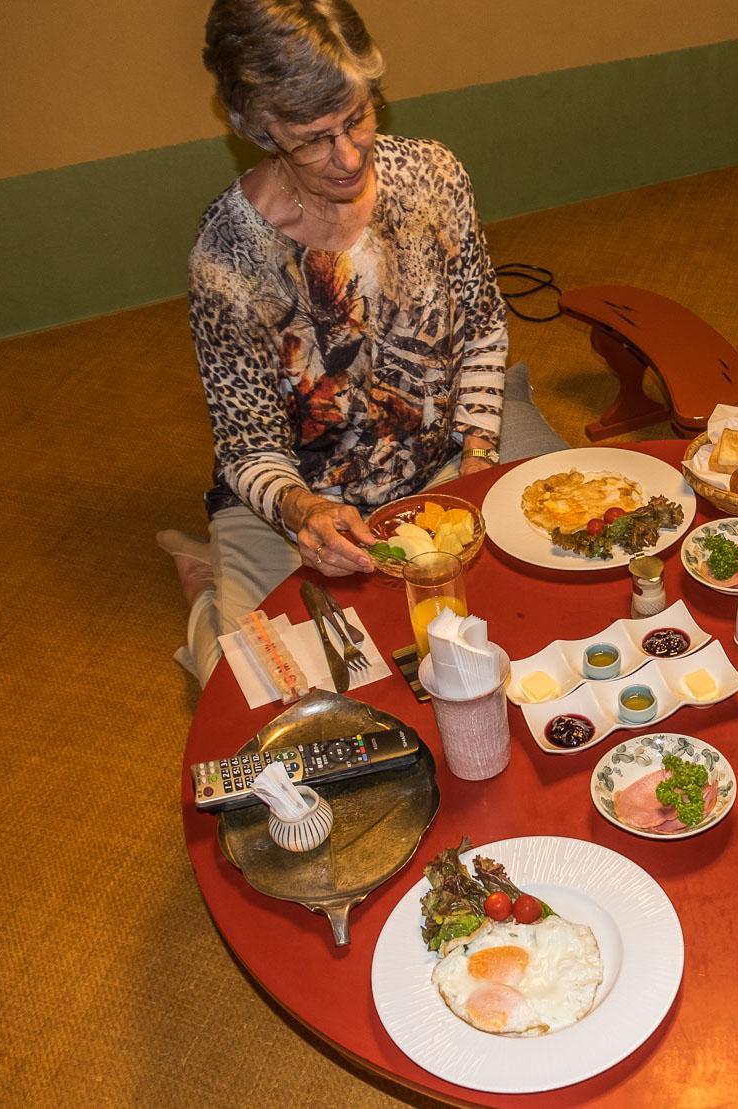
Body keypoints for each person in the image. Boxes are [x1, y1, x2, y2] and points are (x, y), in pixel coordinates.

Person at [160, 0, 564, 681]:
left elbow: (485, 325)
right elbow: (248, 446)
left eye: (358, 117)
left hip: (442, 457)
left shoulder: (434, 176)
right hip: (306, 505)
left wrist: (479, 449)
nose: (347, 156)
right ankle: (205, 589)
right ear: (261, 129)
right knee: (272, 693)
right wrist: (305, 509)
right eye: (314, 137)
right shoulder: (227, 257)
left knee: (564, 580)